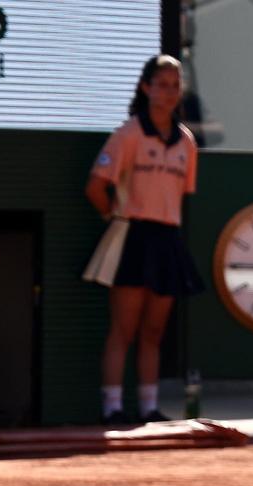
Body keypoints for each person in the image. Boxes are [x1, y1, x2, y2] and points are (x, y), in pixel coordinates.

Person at [83, 55, 202, 426]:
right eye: (161, 85)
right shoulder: (129, 134)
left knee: (154, 331)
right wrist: (113, 218)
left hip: (167, 238)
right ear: (145, 87)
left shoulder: (186, 142)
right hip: (133, 236)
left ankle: (149, 407)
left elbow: (182, 195)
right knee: (124, 329)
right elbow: (95, 188)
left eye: (174, 86)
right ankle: (112, 408)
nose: (168, 93)